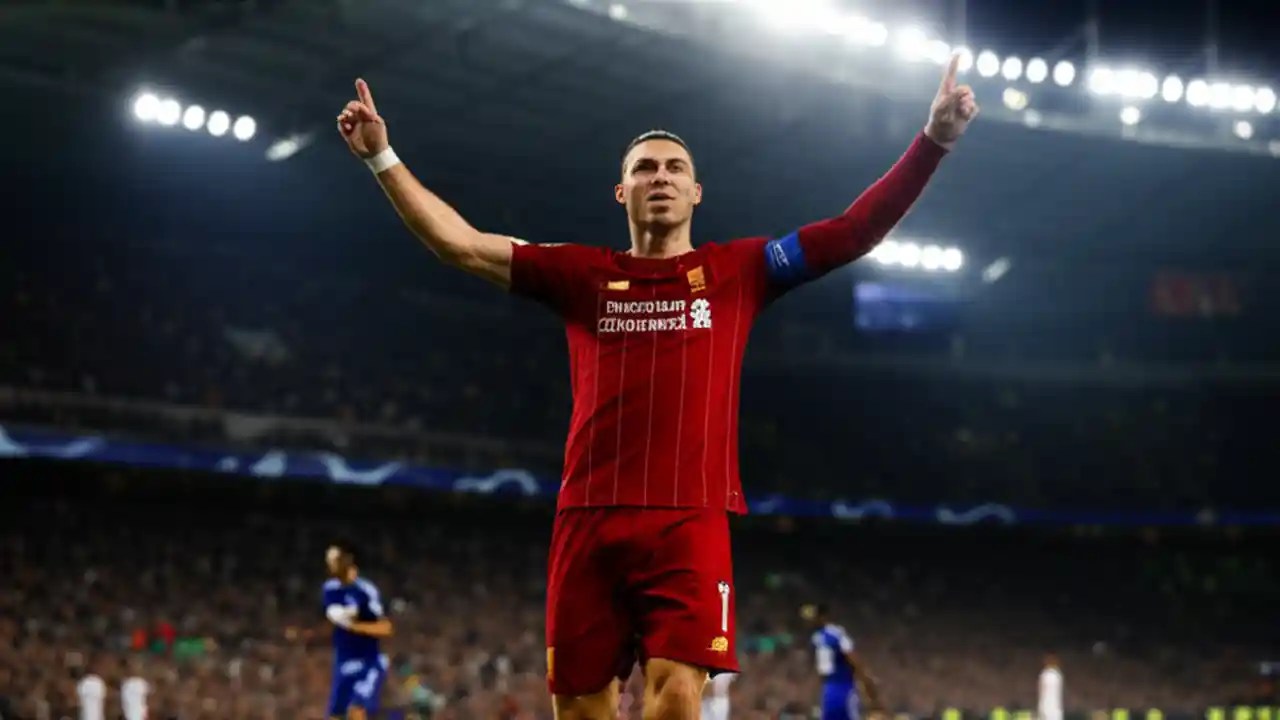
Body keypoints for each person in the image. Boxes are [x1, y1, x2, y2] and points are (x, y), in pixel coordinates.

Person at [335, 54, 977, 720]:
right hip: (589, 516)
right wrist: (382, 157)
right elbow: (461, 244)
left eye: (675, 168)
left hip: (688, 518)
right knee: (580, 709)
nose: (661, 177)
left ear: (697, 192)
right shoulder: (580, 275)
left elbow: (852, 232)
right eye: (645, 168)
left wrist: (933, 142)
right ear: (622, 192)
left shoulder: (740, 271)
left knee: (675, 694)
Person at [322, 541, 394, 720]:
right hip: (343, 662)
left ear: (348, 559)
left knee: (357, 709)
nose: (330, 563)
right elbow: (331, 618)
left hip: (367, 662)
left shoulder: (365, 591)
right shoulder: (330, 589)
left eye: (335, 559)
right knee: (335, 715)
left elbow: (385, 628)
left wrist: (354, 626)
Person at [802, 604, 883, 720]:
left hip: (836, 689)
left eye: (813, 617)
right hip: (838, 690)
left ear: (823, 616)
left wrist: (869, 687)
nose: (809, 622)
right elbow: (855, 662)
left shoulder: (831, 635)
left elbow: (854, 661)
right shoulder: (821, 637)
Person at [1038, 653, 1064, 720]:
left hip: (1052, 707)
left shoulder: (1056, 675)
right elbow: (1041, 690)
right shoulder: (1047, 674)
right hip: (1049, 707)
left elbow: (1041, 690)